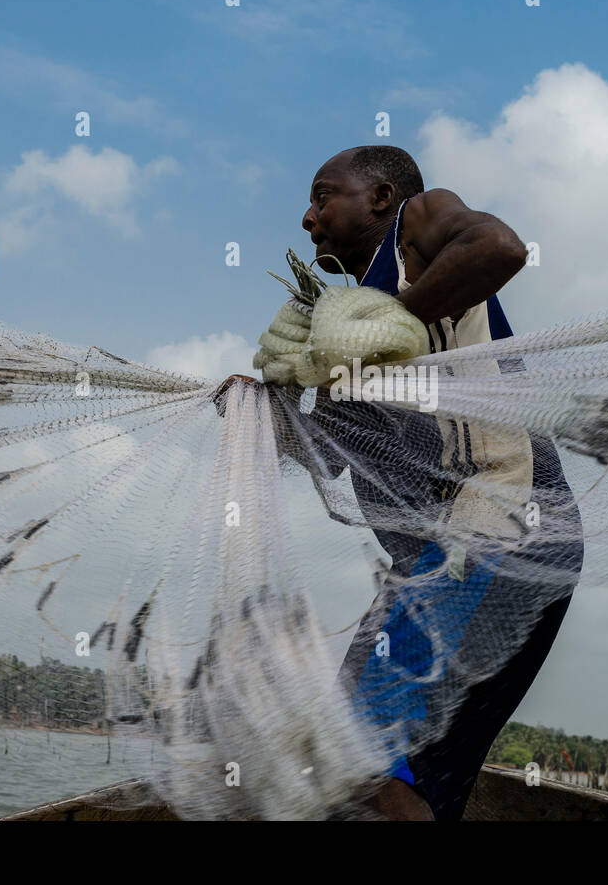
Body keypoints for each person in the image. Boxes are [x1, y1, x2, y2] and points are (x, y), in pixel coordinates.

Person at [235, 145, 584, 820]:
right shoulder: (342, 329)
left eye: (323, 195)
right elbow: (329, 454)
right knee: (406, 777)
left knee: (353, 756)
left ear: (381, 197)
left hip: (497, 531)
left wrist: (397, 319)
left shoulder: (421, 231)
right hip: (462, 560)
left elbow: (501, 248)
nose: (308, 218)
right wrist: (256, 411)